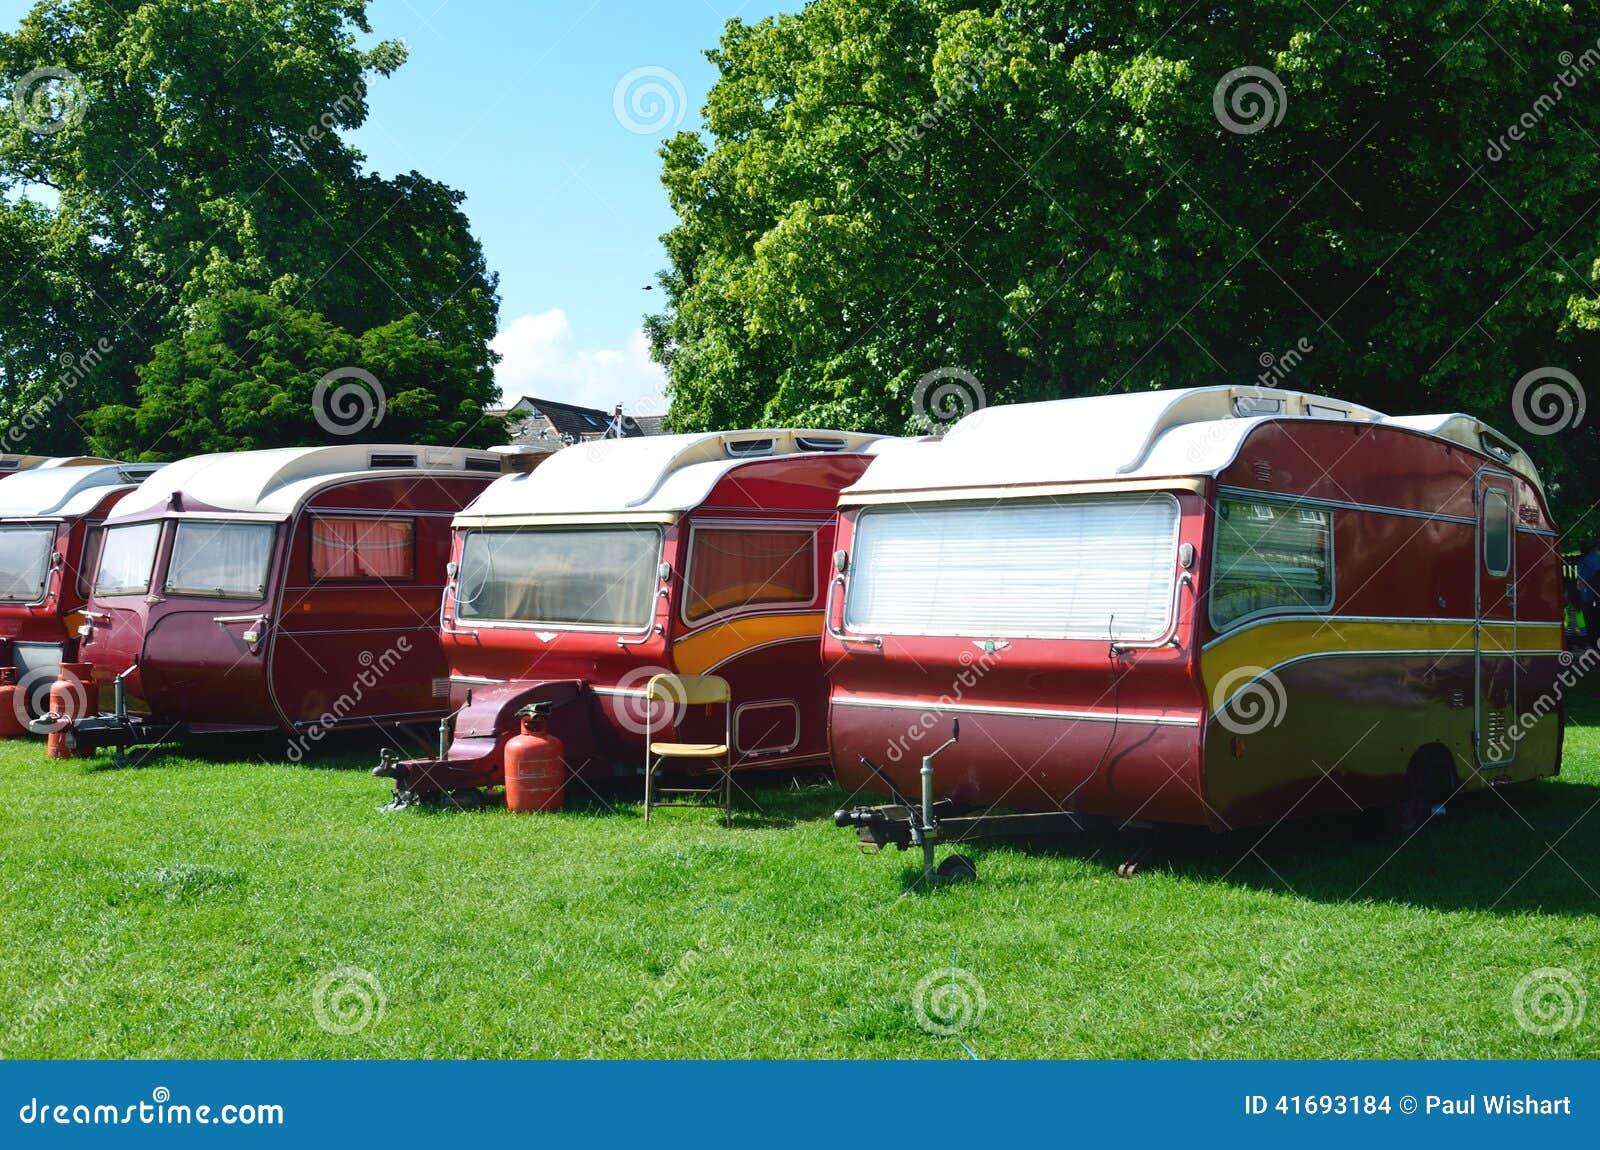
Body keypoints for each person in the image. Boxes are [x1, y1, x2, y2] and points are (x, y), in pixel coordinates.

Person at [1579, 541, 1600, 647]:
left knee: (1591, 622)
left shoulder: (1585, 561)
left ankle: (1593, 644)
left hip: (1589, 596)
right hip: (1596, 597)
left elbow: (1581, 582)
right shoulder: (1597, 559)